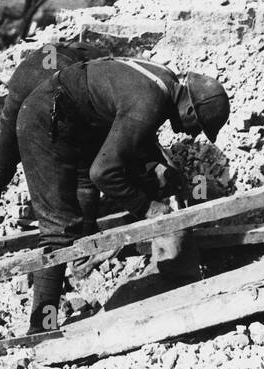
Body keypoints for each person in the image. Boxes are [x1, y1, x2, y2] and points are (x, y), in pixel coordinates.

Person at [15, 56, 230, 333]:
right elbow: (104, 172)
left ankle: (82, 270)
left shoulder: (164, 80)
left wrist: (160, 169)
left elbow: (135, 131)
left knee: (86, 197)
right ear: (190, 111)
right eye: (198, 127)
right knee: (58, 227)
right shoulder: (151, 101)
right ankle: (40, 328)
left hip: (76, 118)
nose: (192, 134)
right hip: (44, 119)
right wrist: (148, 208)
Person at [0, 42, 116, 242]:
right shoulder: (108, 72)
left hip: (28, 71)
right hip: (56, 85)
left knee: (0, 163)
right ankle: (83, 243)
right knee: (84, 172)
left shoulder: (82, 52)